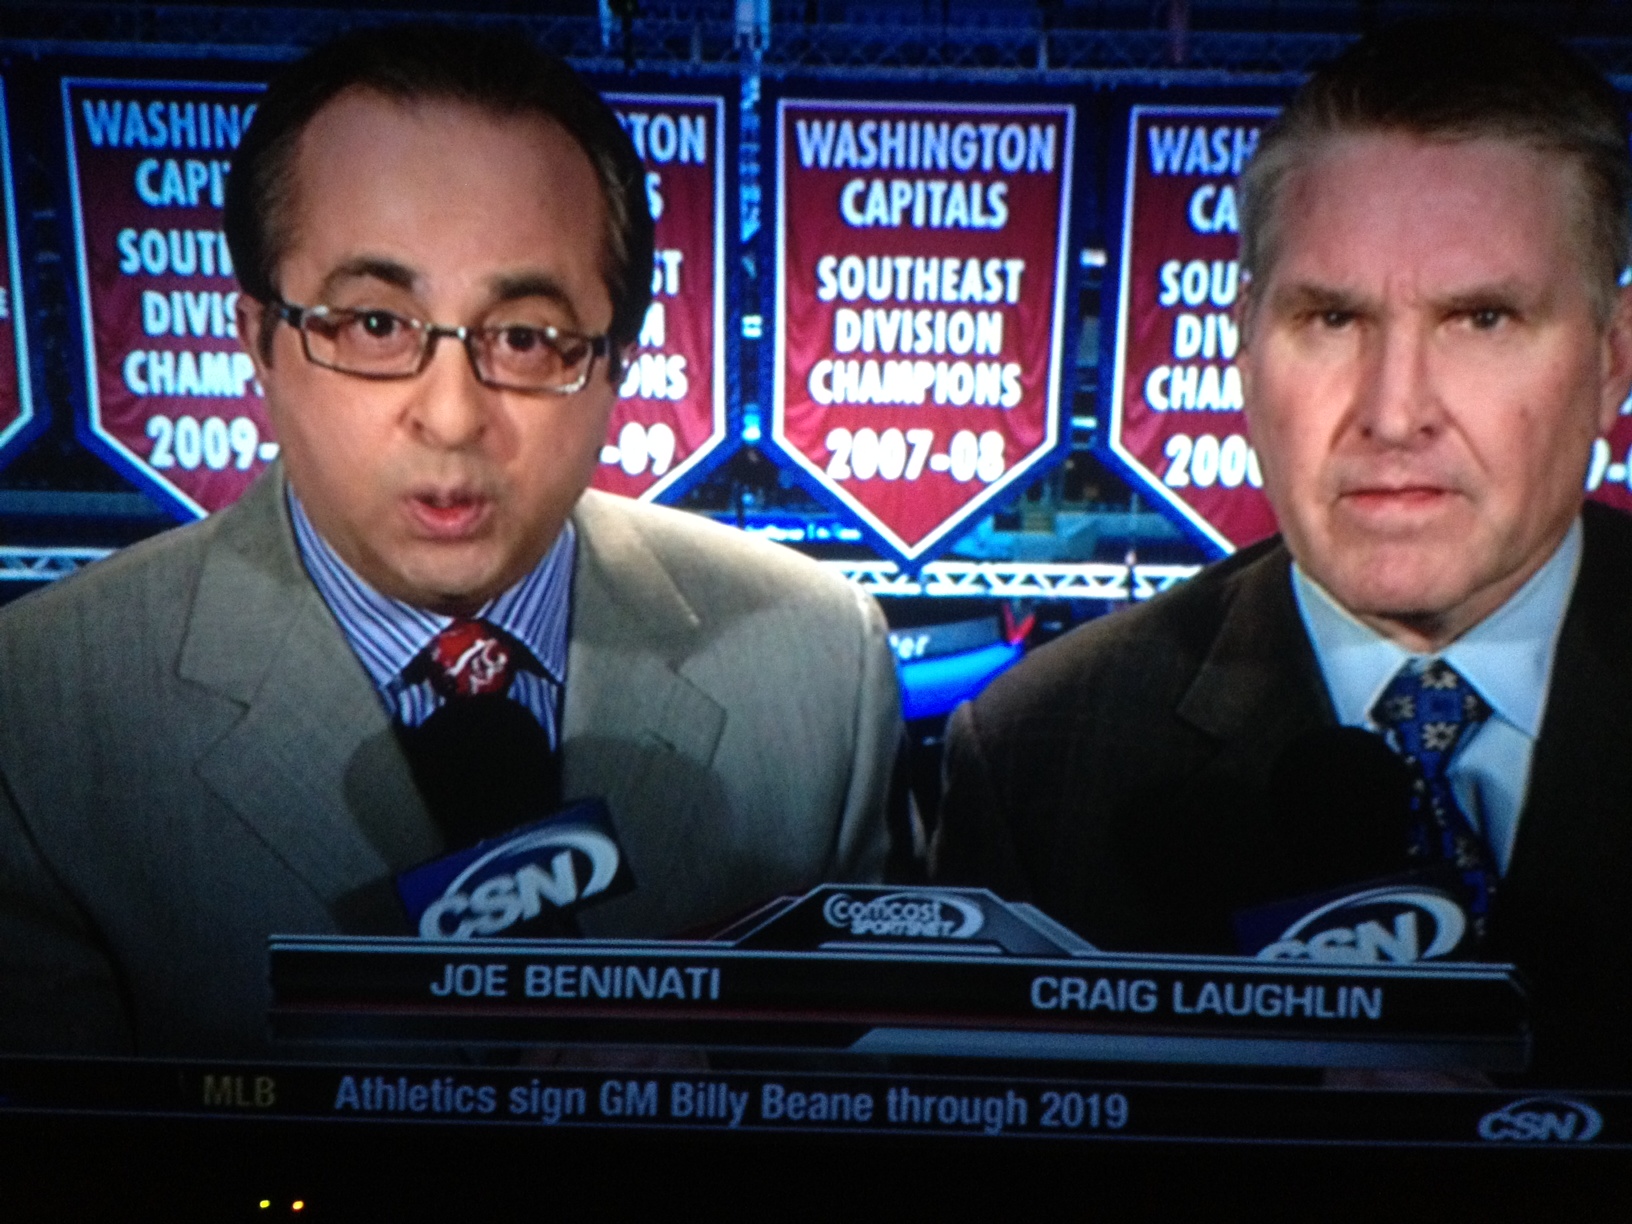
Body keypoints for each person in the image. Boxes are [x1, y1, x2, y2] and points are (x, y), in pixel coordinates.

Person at [0, 26, 899, 1056]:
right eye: (375, 325)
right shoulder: (37, 715)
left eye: (524, 337)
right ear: (260, 340)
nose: (454, 416)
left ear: (617, 364)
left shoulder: (820, 668)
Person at [933, 18, 1632, 1082]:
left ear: (1613, 360)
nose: (1395, 413)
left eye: (1482, 318)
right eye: (1332, 319)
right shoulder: (1041, 758)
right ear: (1246, 350)